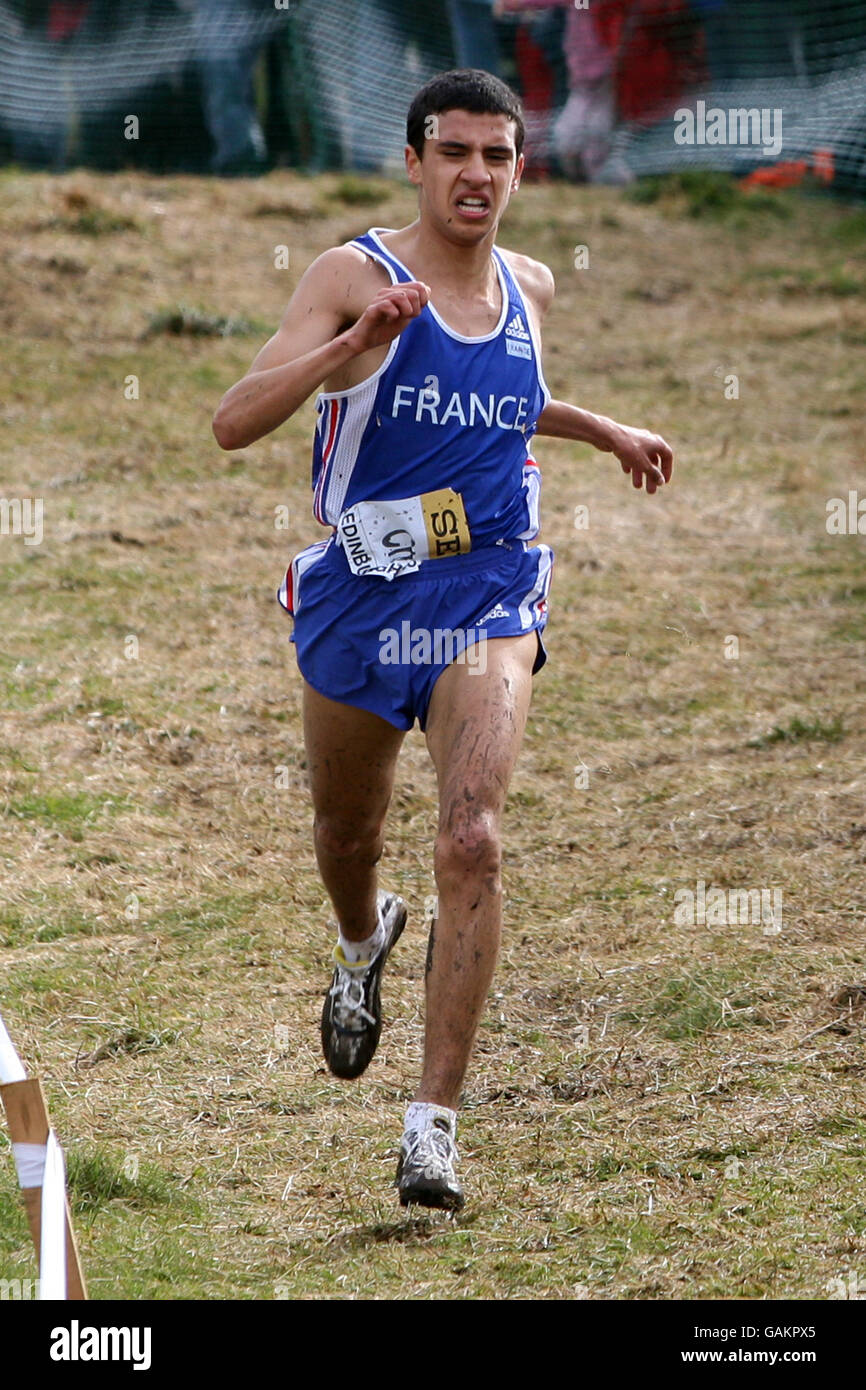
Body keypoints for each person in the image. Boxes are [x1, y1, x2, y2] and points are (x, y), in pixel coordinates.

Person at [212, 68, 673, 1211]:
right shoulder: (349, 274)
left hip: (487, 593)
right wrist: (349, 348)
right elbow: (234, 419)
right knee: (343, 833)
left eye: (498, 155)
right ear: (414, 162)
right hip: (361, 597)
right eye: (454, 151)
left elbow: (503, 402)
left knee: (470, 837)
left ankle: (433, 1130)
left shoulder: (529, 285)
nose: (476, 174)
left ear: (521, 169)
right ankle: (362, 939)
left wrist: (599, 425)